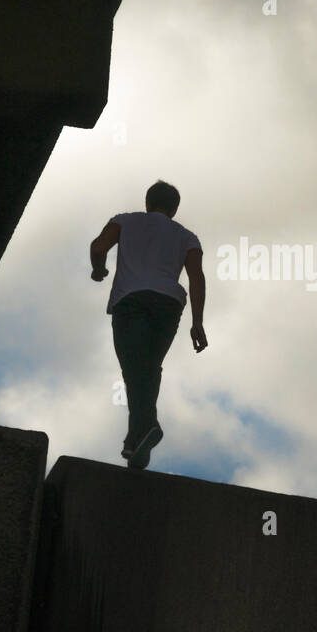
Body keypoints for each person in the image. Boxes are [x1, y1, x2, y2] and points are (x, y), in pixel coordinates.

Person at [90, 180, 207, 469]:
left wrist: (99, 269)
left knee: (135, 368)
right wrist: (198, 321)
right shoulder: (188, 237)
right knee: (147, 368)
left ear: (147, 202)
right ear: (175, 209)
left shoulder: (124, 221)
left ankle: (146, 426)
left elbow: (98, 246)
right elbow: (196, 278)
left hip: (131, 301)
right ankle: (135, 441)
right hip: (168, 305)